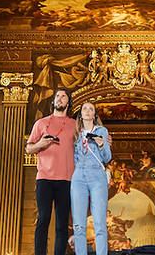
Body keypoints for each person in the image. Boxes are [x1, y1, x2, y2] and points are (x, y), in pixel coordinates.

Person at [27, 88, 77, 255]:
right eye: (57, 96)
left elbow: (84, 145)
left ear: (68, 102)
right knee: (43, 219)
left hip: (67, 180)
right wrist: (41, 144)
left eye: (63, 96)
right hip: (44, 179)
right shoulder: (41, 123)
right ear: (54, 101)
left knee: (62, 224)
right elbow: (29, 149)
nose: (59, 99)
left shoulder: (75, 124)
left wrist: (104, 139)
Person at [71, 101, 112, 255]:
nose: (88, 111)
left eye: (91, 109)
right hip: (79, 176)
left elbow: (107, 158)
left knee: (100, 222)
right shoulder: (75, 132)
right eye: (85, 109)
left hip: (97, 176)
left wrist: (102, 145)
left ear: (94, 114)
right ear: (80, 114)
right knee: (79, 224)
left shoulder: (102, 130)